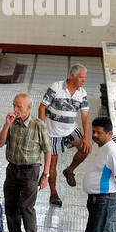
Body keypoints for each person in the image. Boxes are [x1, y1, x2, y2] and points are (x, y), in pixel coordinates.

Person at [0, 92, 50, 232]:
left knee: (26, 206)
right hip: (12, 169)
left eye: (18, 106)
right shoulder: (11, 123)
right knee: (11, 206)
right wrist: (6, 125)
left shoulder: (38, 125)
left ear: (28, 108)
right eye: (14, 105)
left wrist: (45, 175)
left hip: (30, 171)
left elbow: (48, 151)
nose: (15, 109)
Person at [40, 65, 91, 206]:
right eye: (81, 77)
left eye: (85, 78)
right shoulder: (56, 87)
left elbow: (85, 117)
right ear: (71, 76)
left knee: (86, 148)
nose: (84, 80)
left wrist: (86, 137)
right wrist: (41, 127)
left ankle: (69, 170)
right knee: (51, 164)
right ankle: (53, 193)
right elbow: (42, 107)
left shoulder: (82, 93)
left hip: (70, 130)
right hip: (52, 132)